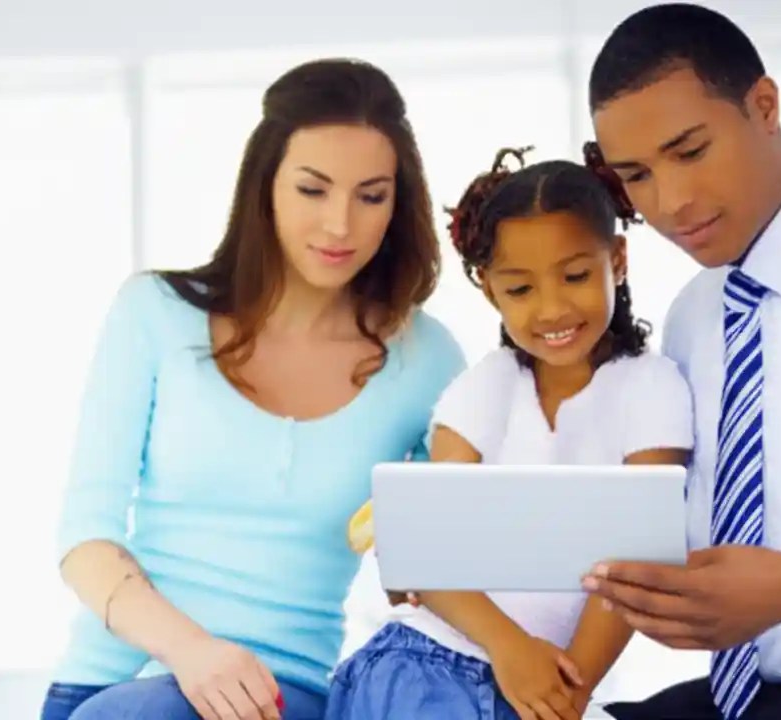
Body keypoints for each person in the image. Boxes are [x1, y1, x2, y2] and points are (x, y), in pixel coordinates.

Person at [41, 58, 464, 720]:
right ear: (265, 186)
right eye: (313, 190)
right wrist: (194, 652)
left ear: (397, 205)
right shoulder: (153, 313)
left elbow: (455, 551)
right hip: (105, 690)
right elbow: (83, 538)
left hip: (279, 693)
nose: (339, 226)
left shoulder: (426, 360)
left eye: (371, 196)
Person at [577, 4, 781, 719]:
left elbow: (769, 580)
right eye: (637, 176)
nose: (672, 203)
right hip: (733, 701)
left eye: (690, 151)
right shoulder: (692, 316)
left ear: (765, 106)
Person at [330, 147, 692, 720]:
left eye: (574, 276)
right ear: (489, 290)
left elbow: (636, 564)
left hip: (554, 687)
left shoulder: (652, 389)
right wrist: (508, 647)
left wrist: (569, 695)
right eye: (520, 289)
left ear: (617, 261)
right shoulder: (488, 387)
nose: (550, 309)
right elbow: (422, 545)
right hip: (428, 663)